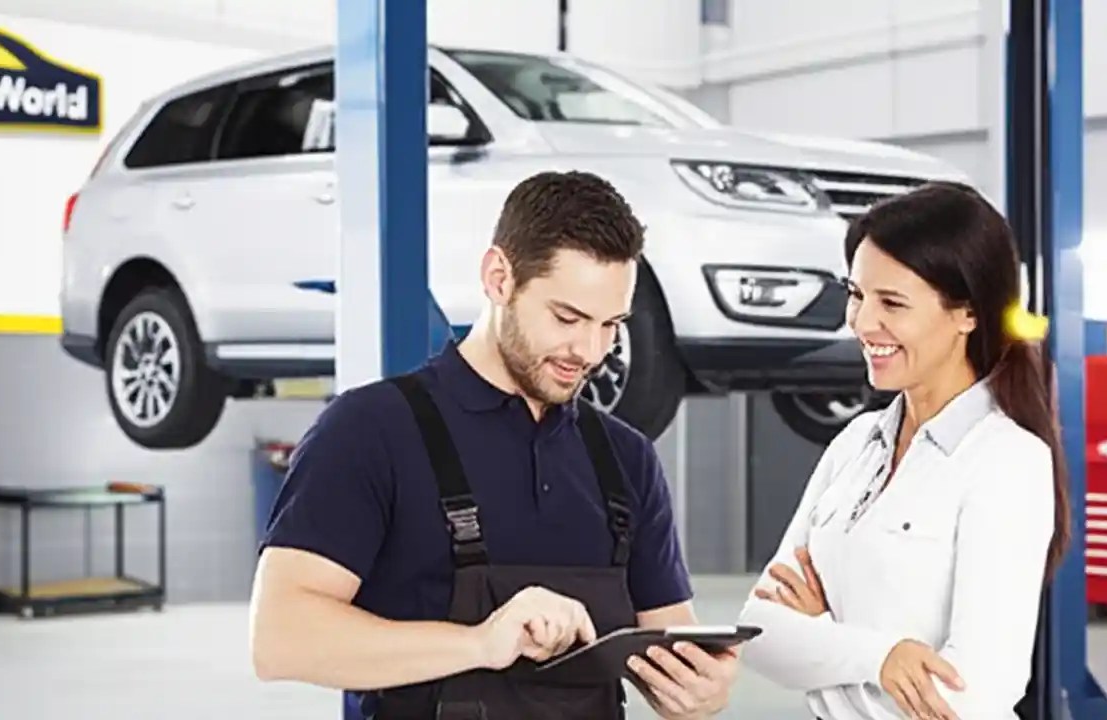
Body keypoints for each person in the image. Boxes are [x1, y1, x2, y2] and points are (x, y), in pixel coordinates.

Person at [248, 170, 740, 719]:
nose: (590, 350)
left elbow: (673, 642)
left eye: (611, 325)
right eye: (567, 317)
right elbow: (279, 637)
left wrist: (700, 693)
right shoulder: (371, 430)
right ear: (499, 277)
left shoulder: (626, 459)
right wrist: (480, 644)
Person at [737, 181, 1071, 720]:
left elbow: (972, 693)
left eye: (891, 302)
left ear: (968, 313)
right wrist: (882, 656)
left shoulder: (1007, 460)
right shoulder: (855, 443)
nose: (863, 323)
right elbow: (759, 628)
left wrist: (819, 635)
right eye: (857, 294)